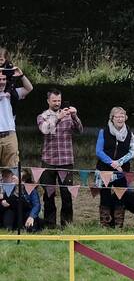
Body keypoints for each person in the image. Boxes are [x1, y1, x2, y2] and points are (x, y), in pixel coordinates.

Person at [37, 89, 81, 227]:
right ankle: (49, 223)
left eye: (59, 101)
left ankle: (66, 224)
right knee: (48, 195)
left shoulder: (68, 115)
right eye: (54, 101)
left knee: (67, 195)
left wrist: (74, 116)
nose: (57, 103)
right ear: (48, 101)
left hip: (66, 161)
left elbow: (80, 130)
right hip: (48, 160)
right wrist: (57, 118)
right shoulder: (42, 116)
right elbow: (44, 129)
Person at [94, 107, 134, 228]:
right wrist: (111, 162)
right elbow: (99, 151)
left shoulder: (130, 134)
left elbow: (132, 152)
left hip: (122, 170)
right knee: (105, 196)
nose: (120, 119)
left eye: (122, 116)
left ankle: (118, 225)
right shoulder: (103, 132)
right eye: (117, 116)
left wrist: (120, 162)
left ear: (125, 118)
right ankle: (105, 224)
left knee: (120, 196)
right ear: (112, 118)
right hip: (104, 169)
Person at [0, 58, 33, 171]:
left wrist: (21, 75)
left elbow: (29, 88)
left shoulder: (12, 93)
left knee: (12, 169)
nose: (2, 82)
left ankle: (10, 189)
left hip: (10, 135)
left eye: (4, 79)